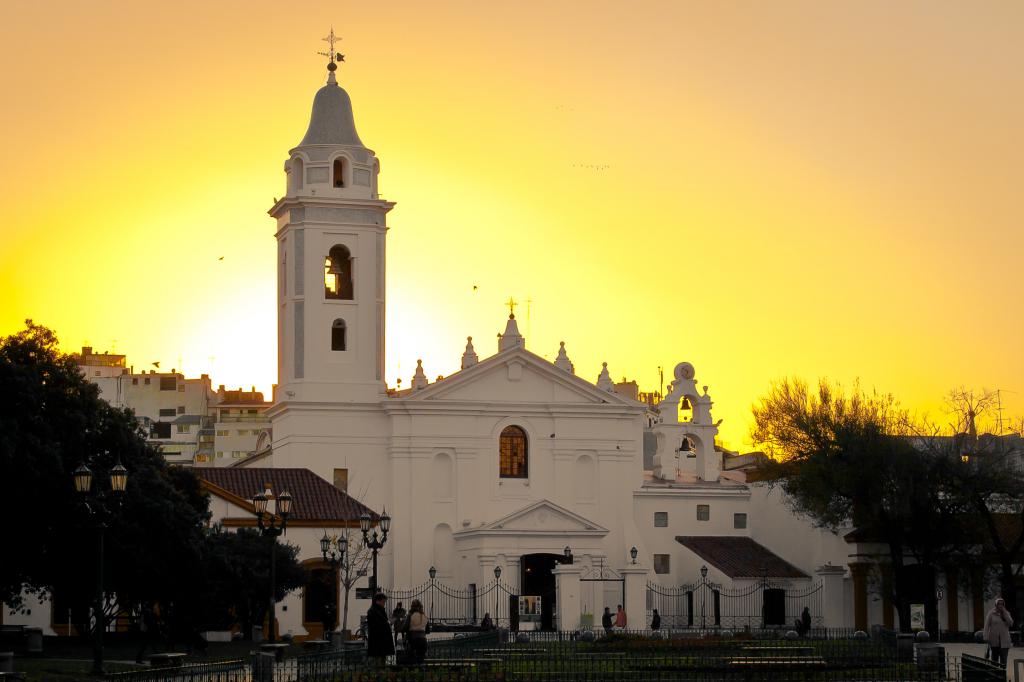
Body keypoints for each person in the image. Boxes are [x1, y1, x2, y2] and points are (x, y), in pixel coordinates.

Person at [366, 593, 395, 667]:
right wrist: (388, 623)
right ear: (377, 601)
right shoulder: (372, 611)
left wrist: (388, 623)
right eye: (383, 602)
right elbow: (376, 625)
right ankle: (379, 672)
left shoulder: (380, 610)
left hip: (382, 640)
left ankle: (381, 671)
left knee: (382, 659)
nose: (384, 604)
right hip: (377, 640)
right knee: (378, 661)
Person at [984, 597, 1014, 666]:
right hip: (994, 640)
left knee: (1003, 661)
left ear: (1004, 605)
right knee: (994, 661)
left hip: (1005, 641)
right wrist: (985, 637)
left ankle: (1002, 672)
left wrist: (1004, 613)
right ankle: (995, 672)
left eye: (1002, 604)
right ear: (996, 605)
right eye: (999, 604)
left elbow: (1011, 623)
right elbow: (986, 626)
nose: (1000, 605)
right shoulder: (991, 613)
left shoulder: (1007, 613)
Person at [405, 599, 428, 664]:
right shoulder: (424, 615)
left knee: (412, 660)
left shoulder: (410, 615)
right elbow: (427, 630)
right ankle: (421, 669)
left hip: (413, 640)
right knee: (421, 659)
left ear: (412, 606)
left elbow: (405, 627)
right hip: (423, 640)